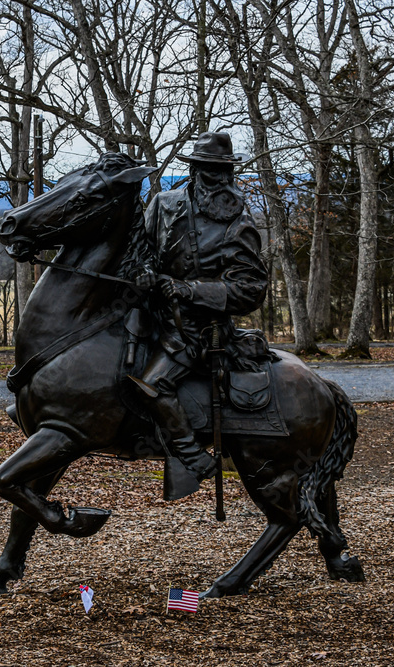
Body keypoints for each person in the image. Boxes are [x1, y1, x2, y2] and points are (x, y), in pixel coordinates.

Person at [128, 132, 269, 499]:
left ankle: (194, 458)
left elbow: (252, 289)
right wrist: (143, 270)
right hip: (149, 316)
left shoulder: (237, 221)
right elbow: (141, 246)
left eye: (221, 170)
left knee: (154, 385)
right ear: (193, 169)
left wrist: (190, 290)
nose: (215, 177)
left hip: (195, 331)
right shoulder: (163, 203)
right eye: (206, 169)